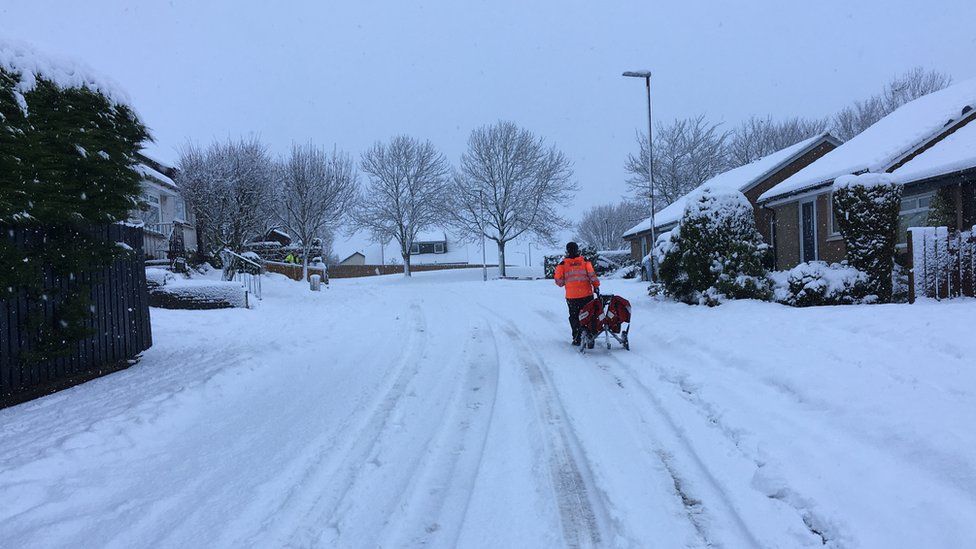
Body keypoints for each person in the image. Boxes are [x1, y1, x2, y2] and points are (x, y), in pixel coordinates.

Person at [553, 241, 600, 345]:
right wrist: (596, 286)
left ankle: (577, 338)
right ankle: (590, 334)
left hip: (572, 296)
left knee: (574, 317)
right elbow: (592, 275)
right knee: (589, 314)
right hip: (587, 295)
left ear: (567, 251)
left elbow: (558, 280)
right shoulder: (585, 261)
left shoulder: (563, 264)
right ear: (577, 249)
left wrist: (566, 282)